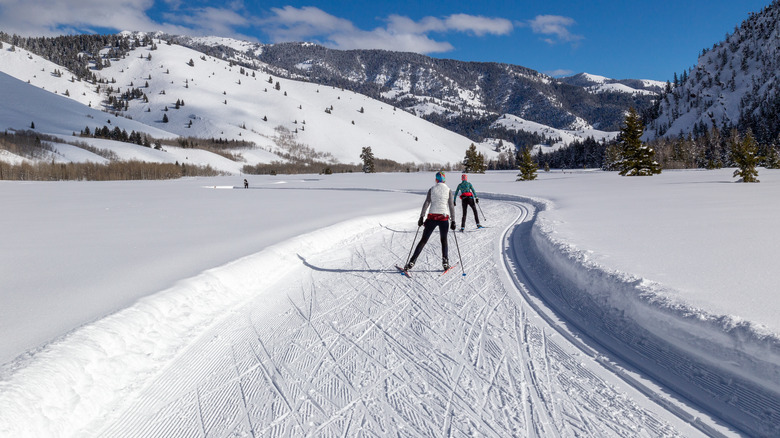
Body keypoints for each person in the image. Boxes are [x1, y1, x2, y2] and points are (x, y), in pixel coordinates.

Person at [404, 171, 456, 271]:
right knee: (444, 240)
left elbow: (427, 203)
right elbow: (451, 206)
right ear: (444, 180)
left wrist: (421, 217)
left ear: (436, 179)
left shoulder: (432, 189)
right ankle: (445, 262)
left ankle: (412, 261)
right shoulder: (448, 190)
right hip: (444, 218)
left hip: (432, 217)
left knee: (423, 240)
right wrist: (453, 220)